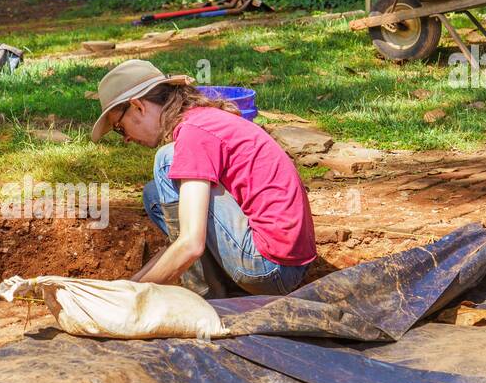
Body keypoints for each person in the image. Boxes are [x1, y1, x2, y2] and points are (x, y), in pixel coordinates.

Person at [90, 59, 316, 298]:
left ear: (138, 106)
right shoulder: (202, 119)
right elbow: (183, 239)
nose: (125, 139)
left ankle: (206, 298)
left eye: (119, 128)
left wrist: (126, 297)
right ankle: (221, 290)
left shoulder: (193, 134)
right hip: (288, 265)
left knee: (167, 160)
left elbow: (189, 244)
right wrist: (131, 283)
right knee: (154, 193)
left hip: (269, 267)